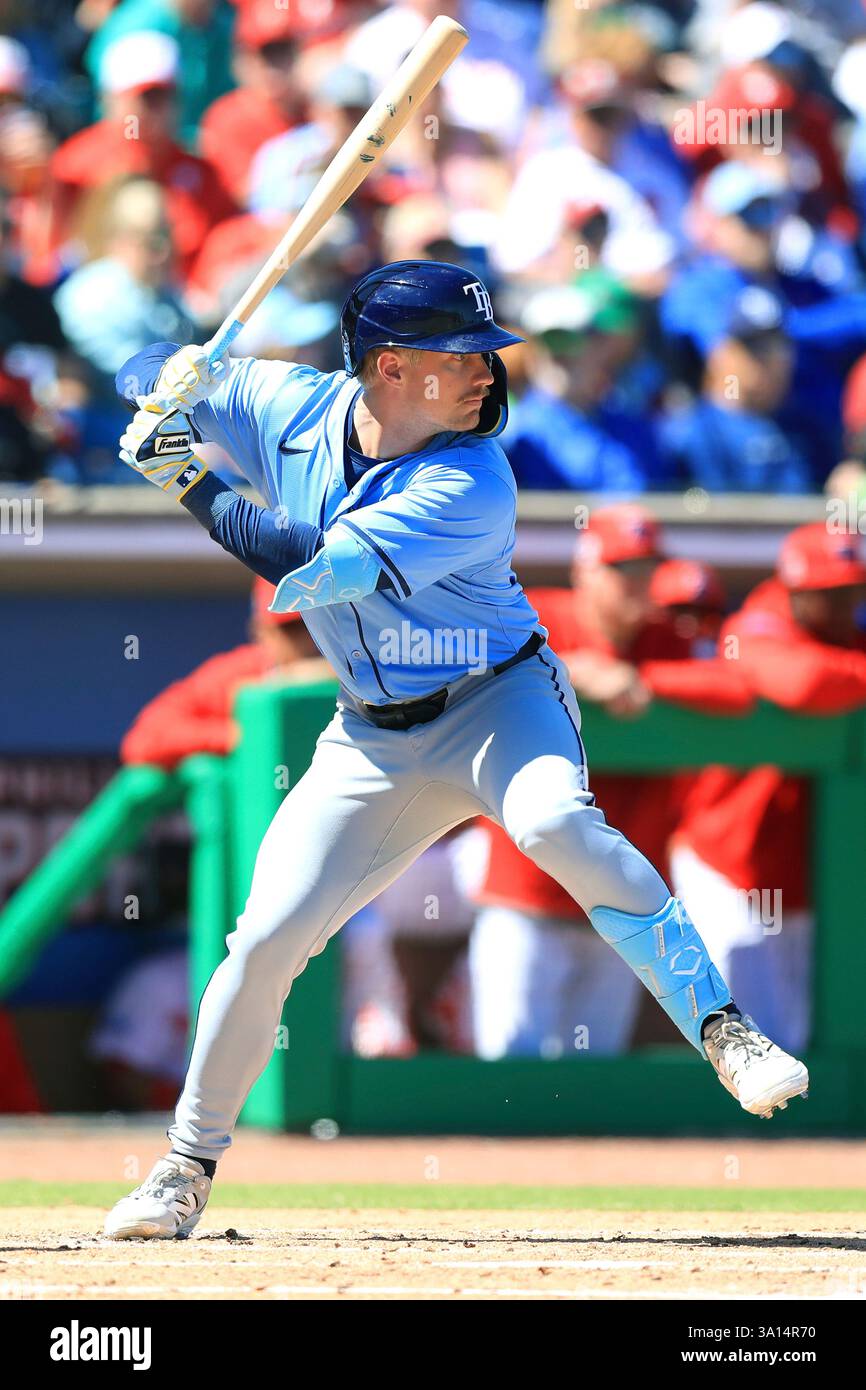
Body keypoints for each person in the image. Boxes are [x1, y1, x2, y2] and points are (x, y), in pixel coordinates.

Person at [103, 260, 808, 1241]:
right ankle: (182, 1169)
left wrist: (183, 471)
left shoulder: (470, 476)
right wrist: (157, 382)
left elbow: (307, 566)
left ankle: (722, 1030)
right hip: (369, 735)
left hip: (497, 701)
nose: (485, 374)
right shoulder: (283, 401)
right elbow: (145, 364)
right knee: (263, 941)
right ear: (389, 367)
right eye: (459, 356)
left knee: (555, 820)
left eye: (484, 354)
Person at [469, 507, 753, 1059]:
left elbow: (739, 687)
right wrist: (571, 668)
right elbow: (464, 665)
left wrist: (645, 679)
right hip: (527, 892)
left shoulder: (667, 640)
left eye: (648, 570)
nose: (640, 584)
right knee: (507, 1077)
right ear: (585, 571)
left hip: (624, 907)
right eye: (624, 570)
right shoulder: (535, 615)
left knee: (595, 1080)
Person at [670, 522, 866, 1054]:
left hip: (808, 877)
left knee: (804, 1038)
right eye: (827, 594)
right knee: (748, 1031)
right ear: (795, 592)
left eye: (851, 590)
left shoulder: (851, 634)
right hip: (728, 862)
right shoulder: (758, 621)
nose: (843, 604)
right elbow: (804, 683)